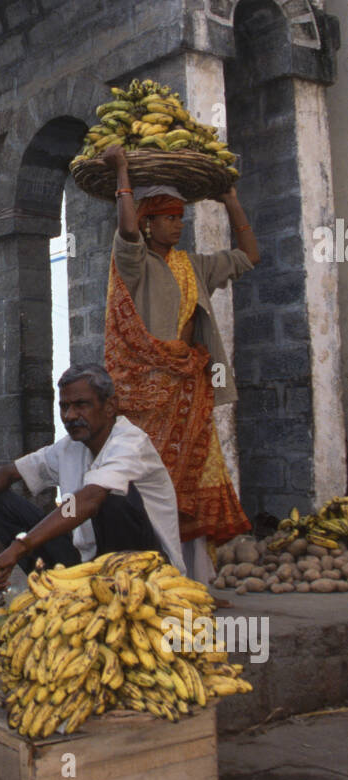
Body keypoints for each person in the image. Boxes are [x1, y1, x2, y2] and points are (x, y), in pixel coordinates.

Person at [102, 144, 259, 582]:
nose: (177, 225)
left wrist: (230, 201)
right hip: (148, 392)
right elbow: (126, 230)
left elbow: (250, 256)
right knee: (151, 485)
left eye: (180, 218)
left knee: (198, 479)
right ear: (148, 224)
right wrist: (122, 173)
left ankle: (196, 582)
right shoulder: (135, 263)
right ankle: (149, 576)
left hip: (190, 388)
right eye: (169, 218)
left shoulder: (194, 266)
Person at [0, 364, 185, 589]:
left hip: (150, 567)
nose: (70, 415)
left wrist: (19, 547)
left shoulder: (130, 442)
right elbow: (10, 472)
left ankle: (123, 595)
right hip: (89, 563)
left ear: (110, 406)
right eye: (64, 407)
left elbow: (90, 498)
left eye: (81, 405)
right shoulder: (70, 447)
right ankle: (55, 587)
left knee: (112, 499)